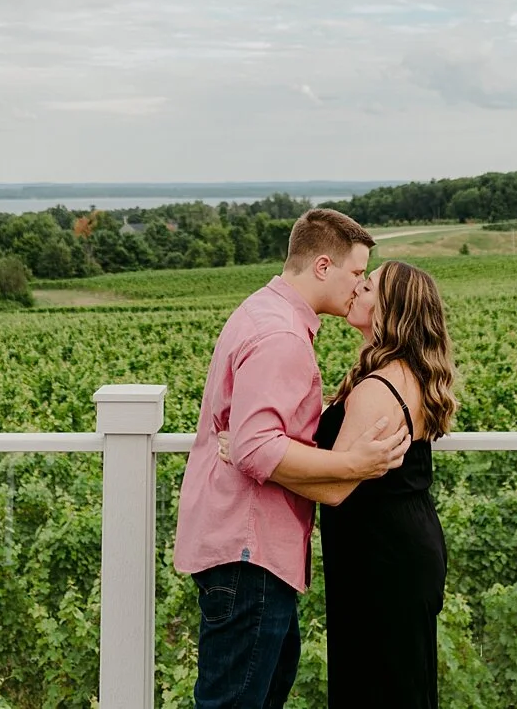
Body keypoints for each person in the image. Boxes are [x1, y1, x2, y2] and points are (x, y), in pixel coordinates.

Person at [173, 208, 411, 709]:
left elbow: (252, 439)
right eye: (355, 273)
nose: (359, 285)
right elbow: (258, 448)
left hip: (248, 549)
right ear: (322, 267)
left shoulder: (262, 311)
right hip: (249, 550)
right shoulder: (281, 337)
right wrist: (356, 464)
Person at [242, 259, 457, 709]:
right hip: (396, 547)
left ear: (392, 308)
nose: (358, 287)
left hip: (383, 557)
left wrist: (252, 452)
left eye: (371, 285)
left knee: (378, 687)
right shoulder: (400, 373)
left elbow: (335, 486)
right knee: (398, 684)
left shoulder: (380, 387)